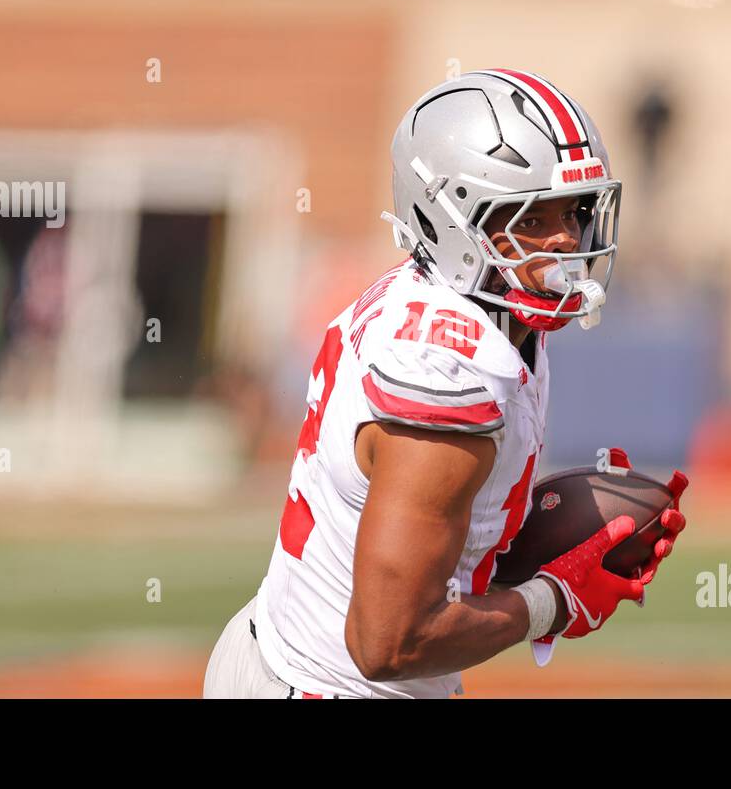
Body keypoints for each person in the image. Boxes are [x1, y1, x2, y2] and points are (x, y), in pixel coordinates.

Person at [204, 70, 686, 698]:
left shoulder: (477, 311)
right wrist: (553, 600)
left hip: (289, 658)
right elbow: (388, 642)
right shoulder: (447, 368)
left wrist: (557, 527)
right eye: (530, 218)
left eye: (571, 211)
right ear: (452, 221)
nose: (566, 239)